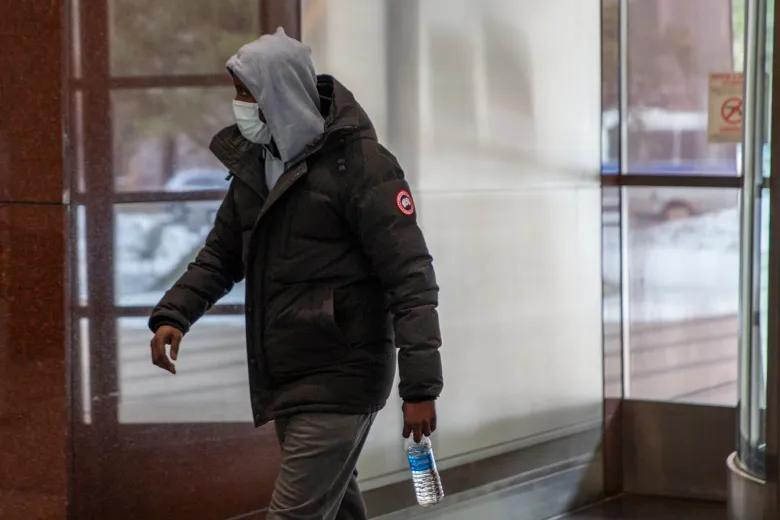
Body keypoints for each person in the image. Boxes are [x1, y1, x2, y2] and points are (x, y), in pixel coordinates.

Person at [147, 28, 443, 520]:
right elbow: (220, 255)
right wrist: (174, 314)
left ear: (276, 94)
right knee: (335, 507)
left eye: (245, 92)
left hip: (343, 373)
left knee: (293, 514)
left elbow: (410, 277)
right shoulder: (257, 167)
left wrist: (420, 388)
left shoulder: (362, 167)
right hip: (289, 374)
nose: (237, 104)